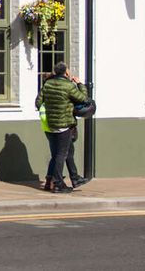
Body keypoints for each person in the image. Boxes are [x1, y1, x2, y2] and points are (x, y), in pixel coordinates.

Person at [36, 62, 89, 193]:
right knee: (61, 154)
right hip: (64, 125)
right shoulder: (69, 86)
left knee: (66, 152)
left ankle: (74, 178)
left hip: (50, 124)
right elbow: (83, 99)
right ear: (65, 73)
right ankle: (58, 184)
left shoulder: (47, 84)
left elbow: (38, 102)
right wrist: (80, 84)